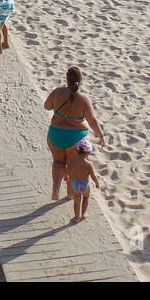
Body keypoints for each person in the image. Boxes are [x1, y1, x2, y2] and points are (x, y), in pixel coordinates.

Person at [43, 67, 106, 201]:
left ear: (66, 78)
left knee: (58, 161)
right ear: (80, 81)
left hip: (56, 134)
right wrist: (100, 136)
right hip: (75, 138)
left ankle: (55, 190)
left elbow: (47, 106)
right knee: (72, 165)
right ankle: (70, 194)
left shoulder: (57, 92)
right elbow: (93, 121)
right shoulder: (84, 99)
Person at [66, 140, 100, 223]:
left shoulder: (71, 162)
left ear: (77, 151)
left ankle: (76, 217)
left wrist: (65, 177)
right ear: (88, 152)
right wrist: (96, 182)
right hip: (85, 185)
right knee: (86, 198)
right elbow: (92, 175)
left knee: (76, 202)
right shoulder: (88, 164)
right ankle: (83, 213)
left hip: (74, 185)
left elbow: (67, 172)